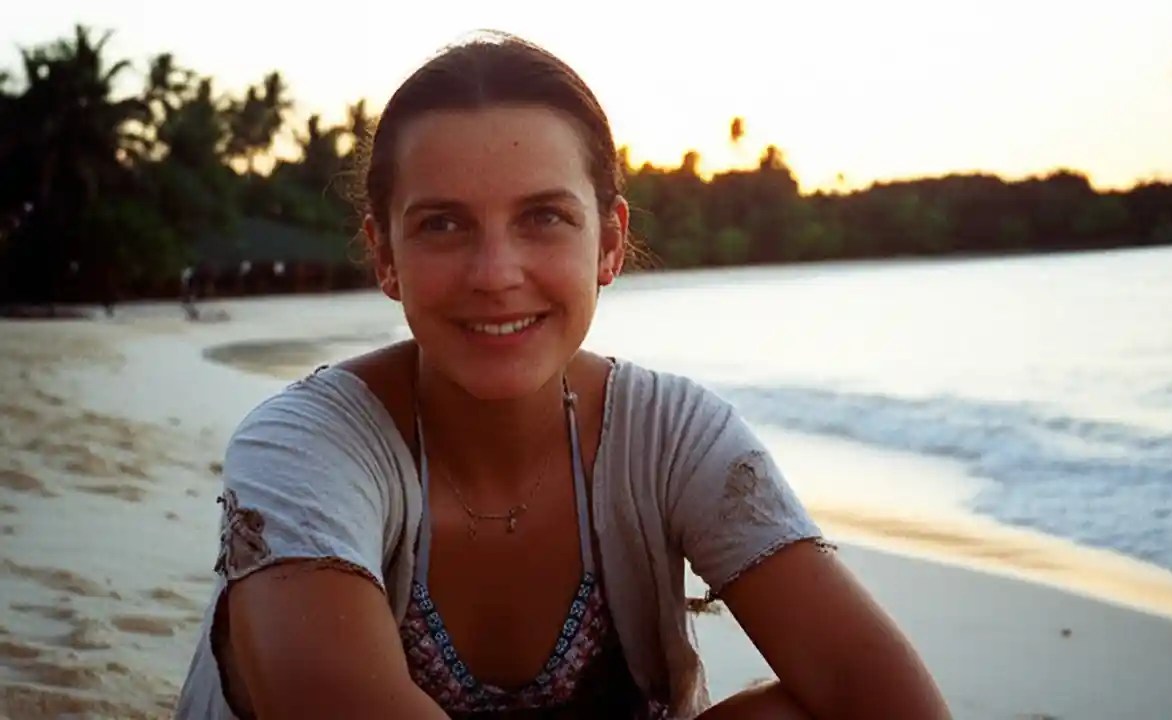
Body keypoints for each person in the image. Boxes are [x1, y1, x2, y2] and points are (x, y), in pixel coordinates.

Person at [176, 31, 950, 720]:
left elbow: (883, 695)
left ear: (609, 241)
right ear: (384, 254)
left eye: (543, 216)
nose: (495, 273)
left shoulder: (671, 437)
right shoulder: (305, 448)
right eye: (442, 225)